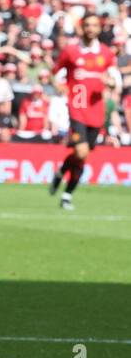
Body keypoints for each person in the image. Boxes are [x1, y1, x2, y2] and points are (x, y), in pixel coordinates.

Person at [49, 13, 120, 210]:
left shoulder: (106, 53)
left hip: (97, 112)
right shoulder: (71, 51)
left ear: (99, 28)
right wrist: (59, 85)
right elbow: (55, 73)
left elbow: (115, 80)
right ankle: (66, 196)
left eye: (94, 25)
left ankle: (62, 174)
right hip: (78, 107)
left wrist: (111, 82)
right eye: (87, 25)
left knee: (82, 155)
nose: (90, 28)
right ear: (82, 28)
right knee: (81, 151)